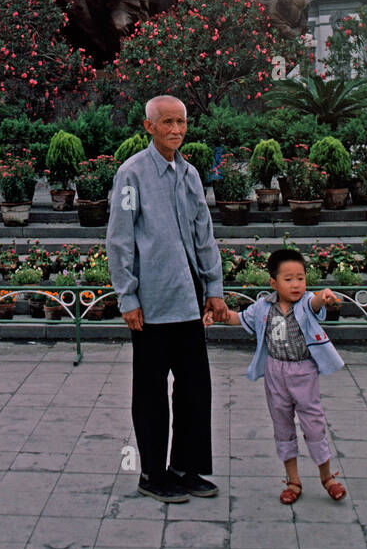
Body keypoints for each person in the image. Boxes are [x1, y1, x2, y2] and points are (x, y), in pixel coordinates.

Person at [106, 95, 229, 503]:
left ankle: (185, 468)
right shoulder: (132, 174)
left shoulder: (190, 174)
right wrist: (127, 296)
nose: (176, 130)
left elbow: (204, 235)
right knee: (152, 391)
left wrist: (214, 290)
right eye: (167, 122)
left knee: (195, 388)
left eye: (181, 122)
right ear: (149, 127)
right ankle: (153, 473)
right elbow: (119, 240)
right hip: (152, 302)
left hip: (190, 300)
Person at [207, 248, 347, 504]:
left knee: (314, 424)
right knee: (282, 426)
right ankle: (293, 480)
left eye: (301, 278)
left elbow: (316, 303)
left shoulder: (306, 303)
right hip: (275, 372)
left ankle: (327, 477)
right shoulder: (263, 307)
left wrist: (324, 297)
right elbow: (240, 319)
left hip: (303, 372)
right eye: (288, 279)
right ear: (273, 282)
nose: (296, 285)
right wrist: (219, 316)